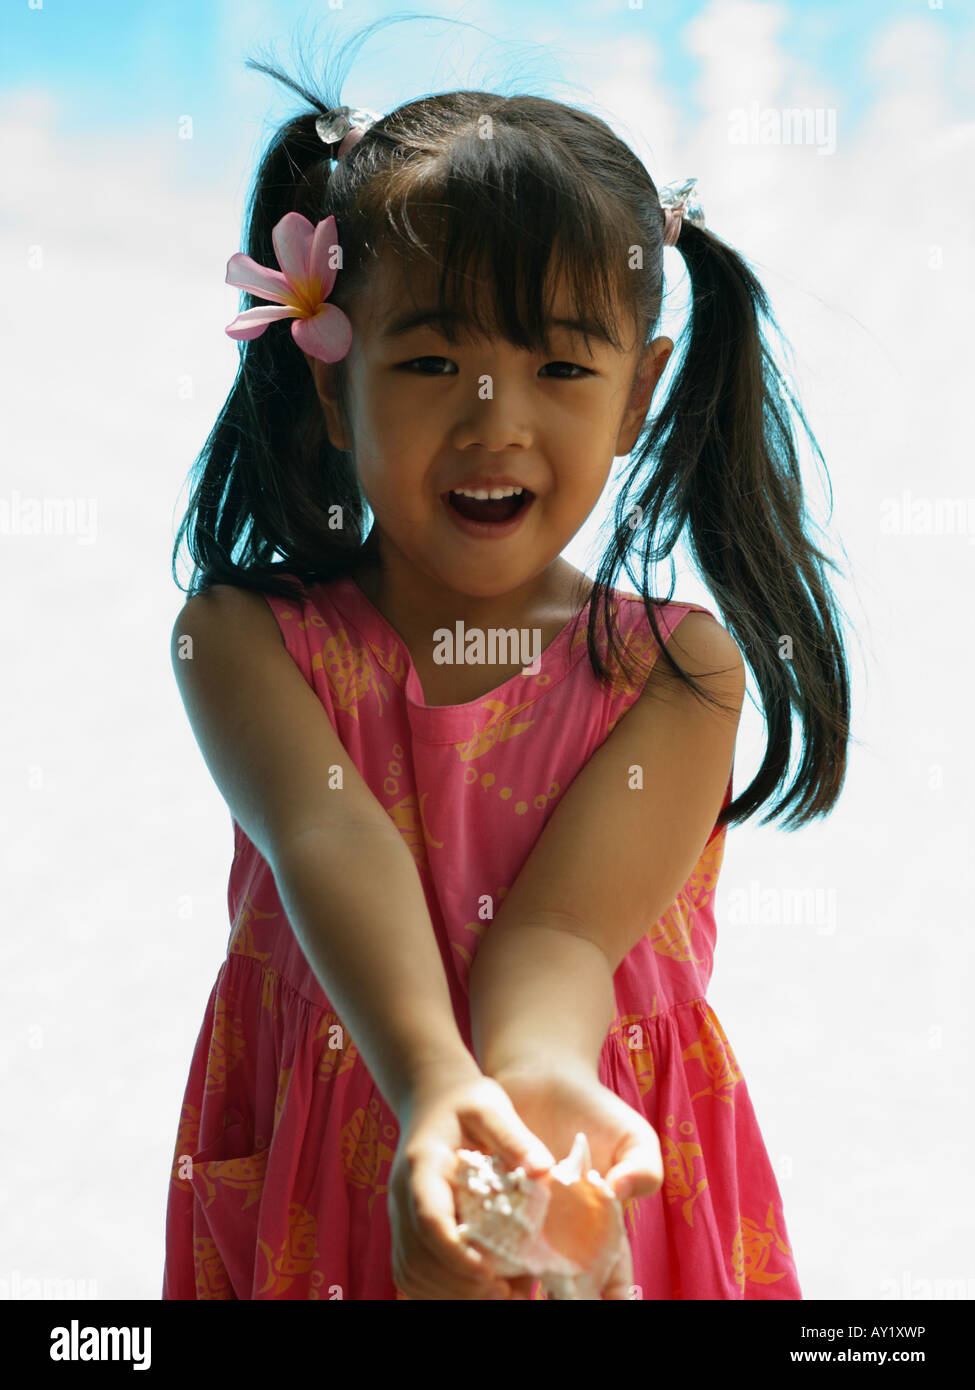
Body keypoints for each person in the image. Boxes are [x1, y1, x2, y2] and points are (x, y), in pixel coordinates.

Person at [162, 42, 851, 1302]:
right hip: (345, 1150)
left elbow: (561, 932)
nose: (495, 421)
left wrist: (527, 1097)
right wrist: (431, 1088)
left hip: (578, 1152)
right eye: (430, 363)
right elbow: (330, 838)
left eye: (561, 368)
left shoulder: (676, 675)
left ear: (639, 393)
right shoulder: (244, 637)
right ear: (331, 380)